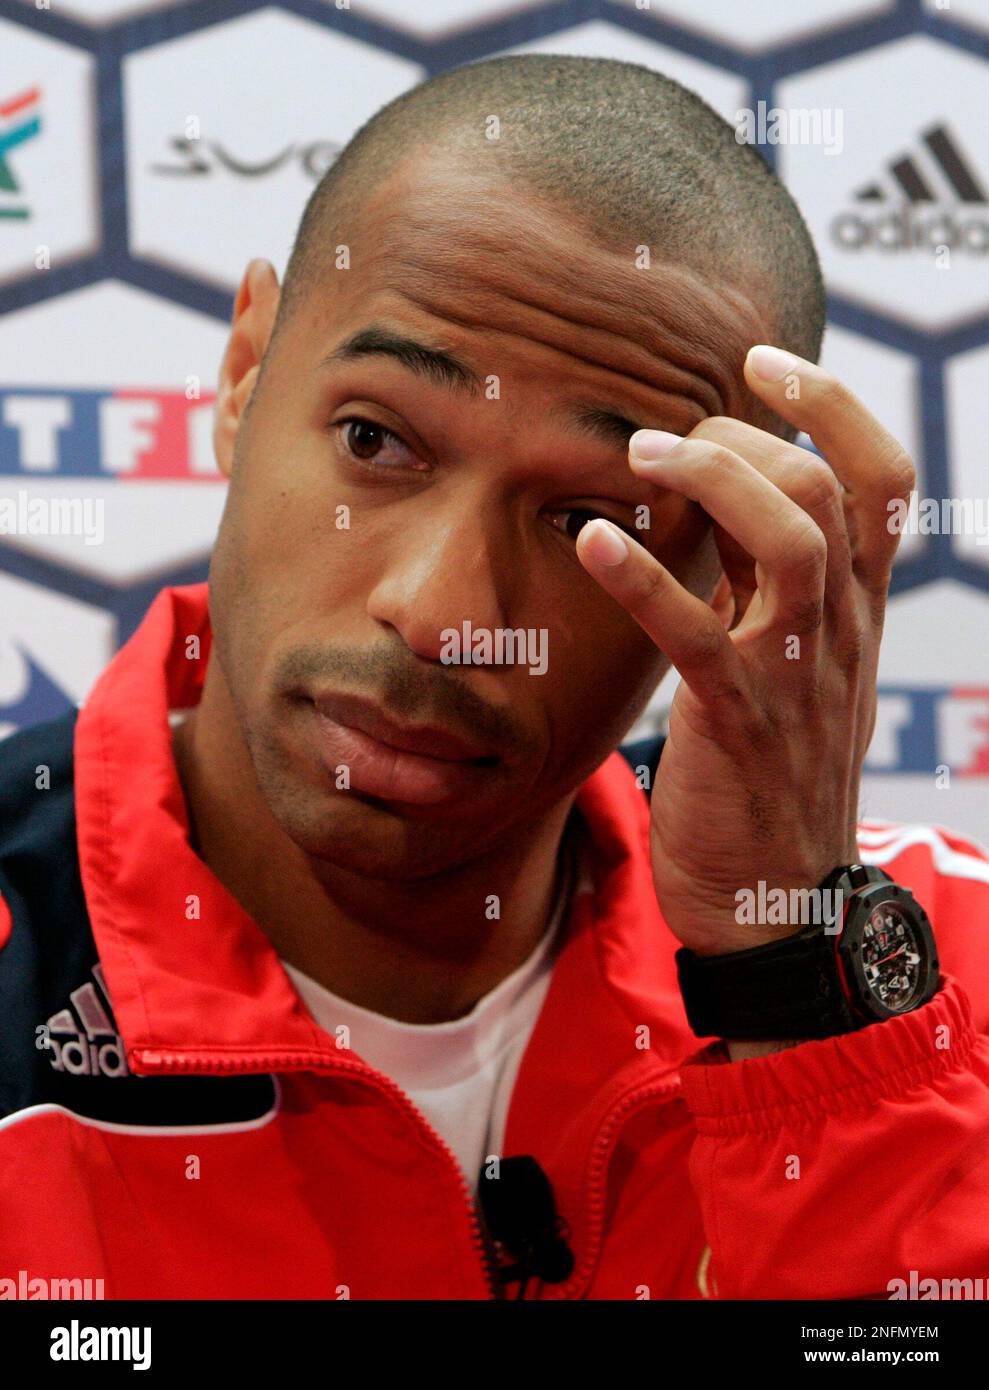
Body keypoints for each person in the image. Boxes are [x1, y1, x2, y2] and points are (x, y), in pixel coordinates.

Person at [1, 55, 987, 1302]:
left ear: (729, 568)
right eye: (377, 440)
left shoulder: (944, 975)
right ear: (245, 377)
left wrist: (793, 975)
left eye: (588, 519)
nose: (441, 614)